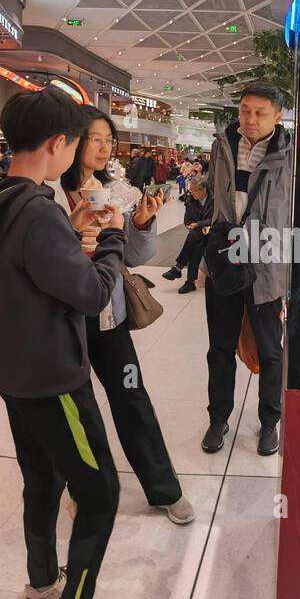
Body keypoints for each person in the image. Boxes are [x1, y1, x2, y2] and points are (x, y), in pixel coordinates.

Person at [0, 88, 127, 599]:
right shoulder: (37, 212)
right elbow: (90, 294)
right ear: (59, 144)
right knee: (100, 493)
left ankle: (39, 583)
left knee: (41, 481)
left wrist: (68, 233)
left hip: (12, 372)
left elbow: (28, 269)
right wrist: (110, 240)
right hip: (56, 379)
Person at [58, 108, 194, 524]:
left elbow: (134, 257)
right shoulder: (50, 194)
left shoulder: (113, 190)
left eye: (107, 139)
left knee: (132, 398)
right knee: (79, 411)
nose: (103, 147)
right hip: (64, 319)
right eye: (94, 138)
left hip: (107, 318)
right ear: (74, 141)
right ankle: (88, 490)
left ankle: (163, 489)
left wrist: (138, 222)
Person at [202, 84, 292, 457]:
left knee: (271, 351)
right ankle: (218, 417)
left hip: (267, 266)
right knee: (219, 348)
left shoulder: (292, 157)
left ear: (278, 116)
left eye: (259, 112)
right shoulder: (222, 144)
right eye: (244, 110)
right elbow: (215, 193)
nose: (249, 119)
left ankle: (270, 421)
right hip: (225, 259)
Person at [162, 174, 212, 293]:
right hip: (198, 235)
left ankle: (179, 268)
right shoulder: (190, 201)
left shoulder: (214, 200)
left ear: (203, 190)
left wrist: (199, 224)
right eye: (191, 189)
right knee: (196, 244)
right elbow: (187, 219)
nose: (192, 193)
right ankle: (189, 282)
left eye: (194, 190)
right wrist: (189, 225)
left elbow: (216, 218)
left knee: (193, 237)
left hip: (213, 232)